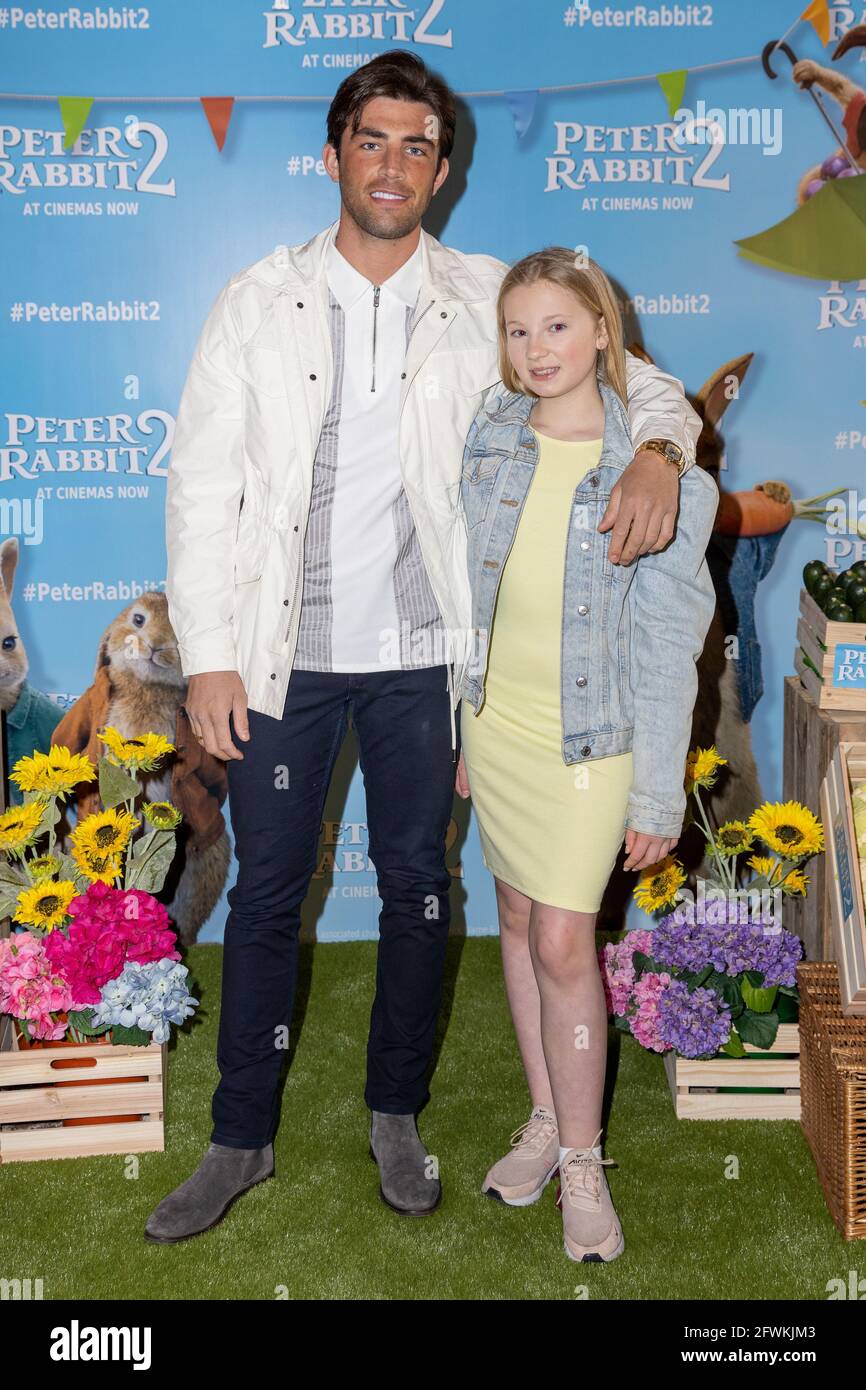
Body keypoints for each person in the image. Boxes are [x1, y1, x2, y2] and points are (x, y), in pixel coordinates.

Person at [146, 49, 704, 1244]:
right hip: (280, 655)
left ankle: (394, 1114)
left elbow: (635, 380)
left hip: (429, 661)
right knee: (266, 897)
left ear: (442, 168)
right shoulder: (257, 297)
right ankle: (239, 1137)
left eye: (415, 145)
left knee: (417, 890)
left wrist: (657, 450)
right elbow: (199, 487)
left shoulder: (484, 292)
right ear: (334, 154)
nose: (391, 164)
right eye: (371, 140)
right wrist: (208, 657)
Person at [455, 246, 719, 1262]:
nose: (535, 350)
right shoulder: (489, 432)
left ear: (604, 330)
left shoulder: (655, 471)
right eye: (518, 331)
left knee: (564, 942)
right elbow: (464, 590)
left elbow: (664, 645)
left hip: (590, 739)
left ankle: (580, 1159)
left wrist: (654, 788)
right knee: (517, 917)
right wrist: (460, 722)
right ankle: (541, 1114)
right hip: (497, 726)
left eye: (557, 327)